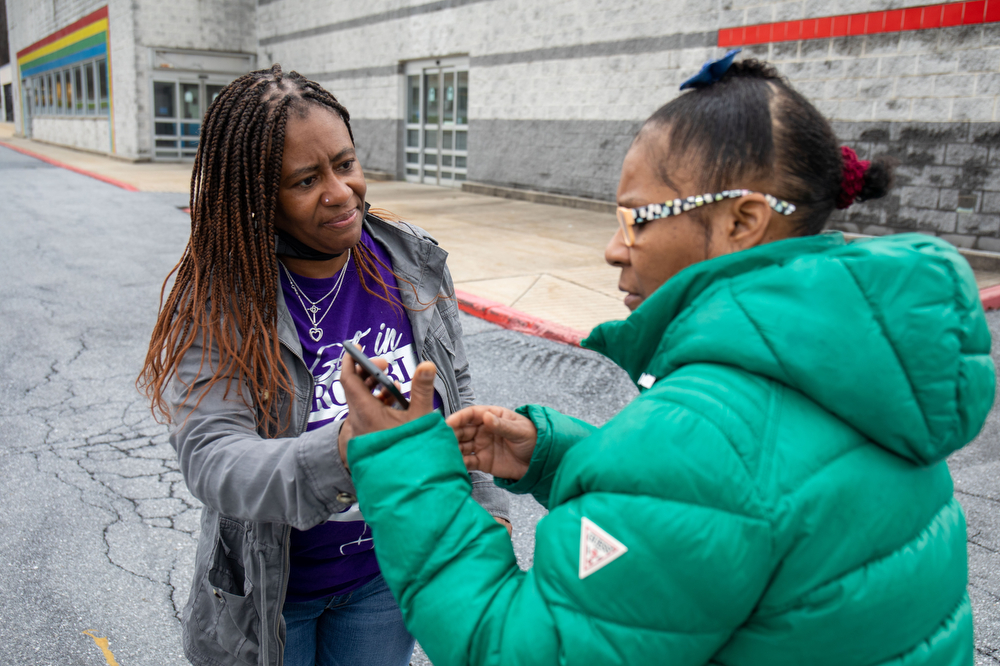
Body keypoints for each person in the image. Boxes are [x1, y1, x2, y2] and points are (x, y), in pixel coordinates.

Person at [336, 55, 996, 665]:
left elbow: (524, 649)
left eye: (639, 218)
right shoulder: (864, 371)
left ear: (743, 221)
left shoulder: (705, 438)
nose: (615, 249)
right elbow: (753, 500)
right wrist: (559, 455)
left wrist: (408, 466)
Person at [138, 64, 509, 666]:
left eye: (345, 163)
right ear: (260, 199)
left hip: (385, 576)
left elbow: (455, 394)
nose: (340, 191)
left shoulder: (409, 262)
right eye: (306, 179)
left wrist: (487, 508)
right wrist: (341, 449)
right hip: (275, 592)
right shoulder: (224, 299)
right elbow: (212, 457)